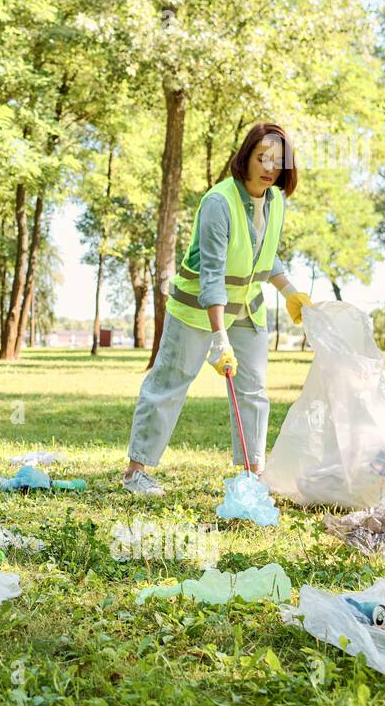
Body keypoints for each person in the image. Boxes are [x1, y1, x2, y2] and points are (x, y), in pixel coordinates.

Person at [121, 122, 312, 497]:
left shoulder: (275, 202)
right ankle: (135, 471)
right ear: (247, 157)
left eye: (277, 161)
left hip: (245, 310)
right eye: (262, 158)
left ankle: (251, 475)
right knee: (169, 384)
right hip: (197, 310)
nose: (268, 167)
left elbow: (265, 255)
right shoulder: (218, 202)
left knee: (253, 392)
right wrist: (218, 336)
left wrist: (290, 292)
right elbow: (212, 275)